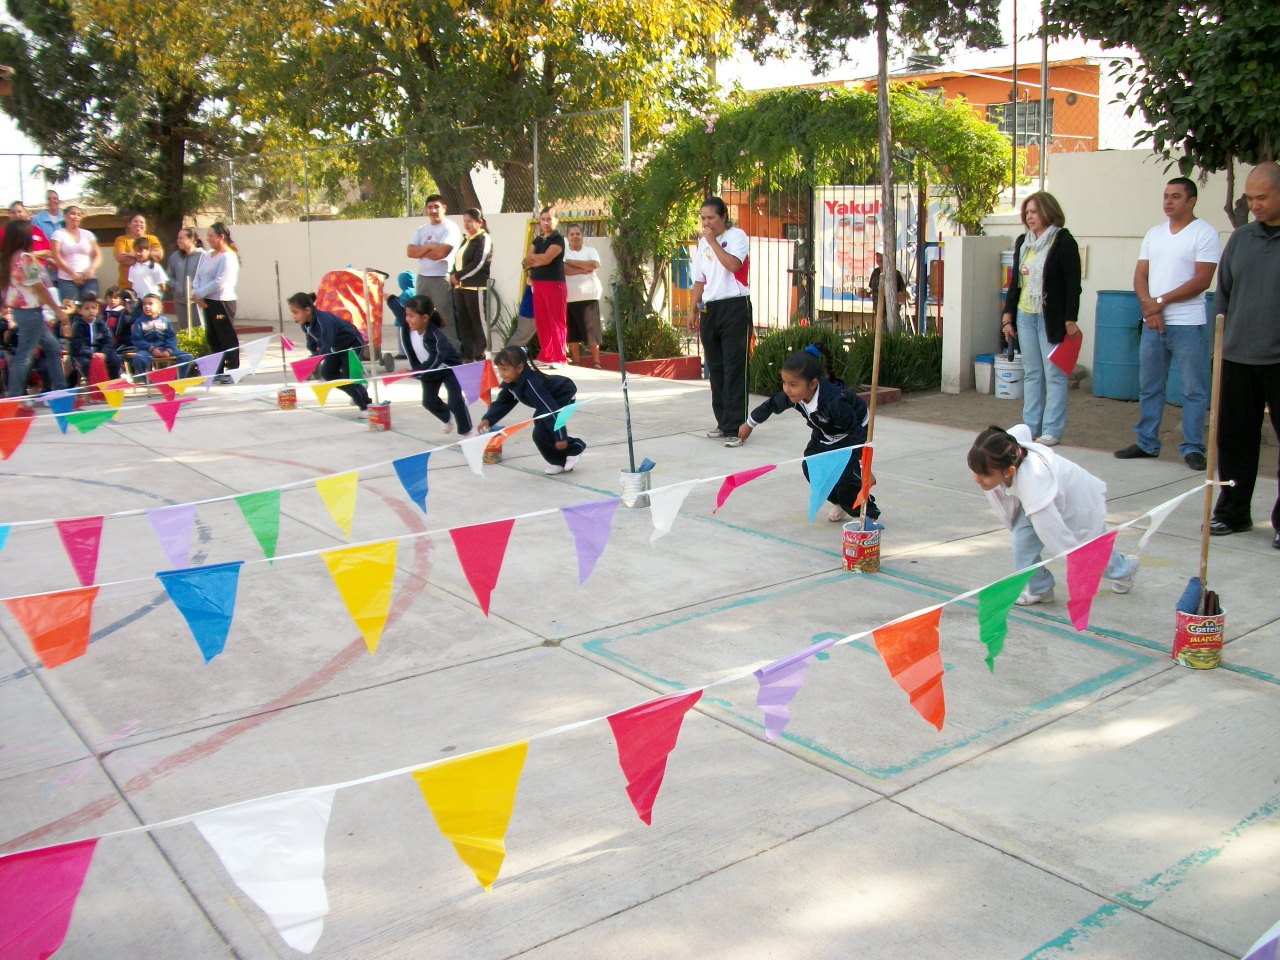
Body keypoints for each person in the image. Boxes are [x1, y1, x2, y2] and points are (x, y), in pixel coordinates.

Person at [1113, 179, 1220, 470]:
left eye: (1176, 196)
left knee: (1193, 389)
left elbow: (1201, 281)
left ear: (1192, 201)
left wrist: (1159, 302)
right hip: (1153, 322)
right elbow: (1140, 276)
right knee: (1149, 385)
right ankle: (1147, 441)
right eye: (1165, 196)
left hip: (1188, 323)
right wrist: (1151, 307)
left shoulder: (1205, 233)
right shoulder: (1154, 234)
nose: (1168, 202)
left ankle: (1193, 447)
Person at [969, 424, 1138, 605]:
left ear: (1009, 471)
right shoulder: (1004, 449)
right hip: (1035, 501)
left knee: (1090, 552)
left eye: (985, 475)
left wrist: (1078, 564)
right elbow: (1022, 429)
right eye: (975, 471)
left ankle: (1125, 568)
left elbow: (1056, 537)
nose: (977, 479)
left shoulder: (1033, 485)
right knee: (1023, 545)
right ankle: (1040, 589)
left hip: (1075, 501)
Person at [1209, 161, 1280, 550]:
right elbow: (1224, 292)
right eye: (1250, 198)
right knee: (1235, 441)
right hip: (1237, 356)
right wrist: (1217, 348)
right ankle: (1232, 513)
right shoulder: (1241, 239)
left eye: (1263, 197)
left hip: (1278, 360)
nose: (1255, 205)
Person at [737, 343, 879, 523]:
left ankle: (869, 513)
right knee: (811, 468)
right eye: (785, 383)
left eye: (793, 385)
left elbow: (857, 434)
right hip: (824, 433)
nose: (787, 389)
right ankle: (839, 503)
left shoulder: (835, 403)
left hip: (850, 434)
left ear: (812, 384)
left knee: (845, 481)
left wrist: (865, 468)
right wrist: (749, 424)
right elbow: (772, 404)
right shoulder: (795, 396)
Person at [1001, 191, 1081, 447]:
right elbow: (1016, 282)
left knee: (1054, 373)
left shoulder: (1063, 241)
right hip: (1026, 313)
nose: (1029, 216)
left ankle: (1052, 429)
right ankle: (1029, 427)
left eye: (1034, 211)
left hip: (1051, 316)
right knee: (1032, 372)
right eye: (1026, 212)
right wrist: (1008, 314)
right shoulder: (1023, 242)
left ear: (1047, 211)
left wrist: (1070, 319)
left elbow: (1072, 284)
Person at [690, 196, 752, 447]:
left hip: (735, 306)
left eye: (711, 218)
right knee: (715, 368)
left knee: (734, 367)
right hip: (711, 308)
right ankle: (723, 421)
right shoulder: (702, 245)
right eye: (703, 218)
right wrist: (693, 309)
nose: (707, 222)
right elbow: (699, 280)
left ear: (723, 217)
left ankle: (737, 428)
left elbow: (733, 265)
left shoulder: (737, 237)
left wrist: (713, 242)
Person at [478, 345, 585, 474]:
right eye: (499, 370)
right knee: (542, 433)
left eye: (505, 370)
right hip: (548, 403)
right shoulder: (511, 383)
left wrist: (560, 436)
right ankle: (560, 462)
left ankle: (576, 447)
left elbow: (550, 409)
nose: (501, 374)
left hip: (563, 396)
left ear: (520, 368)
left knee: (541, 433)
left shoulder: (531, 384)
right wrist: (488, 419)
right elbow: (503, 402)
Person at [1, 219, 64, 397]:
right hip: (31, 313)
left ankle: (61, 390)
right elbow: (40, 288)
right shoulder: (26, 258)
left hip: (21, 312)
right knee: (25, 356)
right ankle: (14, 398)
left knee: (53, 348)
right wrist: (58, 310)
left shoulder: (9, 259)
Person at [288, 291, 371, 419]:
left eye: (295, 312)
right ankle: (358, 391)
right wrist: (313, 356)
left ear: (307, 310)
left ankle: (366, 405)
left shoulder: (324, 322)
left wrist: (313, 361)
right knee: (328, 374)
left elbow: (325, 346)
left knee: (348, 378)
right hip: (336, 348)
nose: (293, 316)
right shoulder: (305, 325)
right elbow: (311, 343)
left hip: (352, 346)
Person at [397, 293, 472, 434]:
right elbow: (396, 307)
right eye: (407, 315)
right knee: (428, 402)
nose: (407, 319)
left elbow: (435, 360)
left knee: (455, 402)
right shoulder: (407, 329)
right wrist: (387, 297)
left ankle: (467, 432)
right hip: (429, 370)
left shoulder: (436, 337)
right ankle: (446, 416)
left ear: (425, 318)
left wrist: (415, 372)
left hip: (449, 369)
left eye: (411, 316)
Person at [407, 195, 462, 350]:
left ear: (444, 208)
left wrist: (421, 251)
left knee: (445, 317)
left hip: (441, 278)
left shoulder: (449, 227)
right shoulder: (422, 229)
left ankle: (452, 351)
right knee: (421, 315)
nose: (433, 210)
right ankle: (427, 348)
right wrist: (429, 247)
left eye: (436, 207)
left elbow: (441, 254)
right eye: (430, 207)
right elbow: (410, 251)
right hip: (423, 278)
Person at [193, 222, 240, 383]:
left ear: (221, 237)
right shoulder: (208, 254)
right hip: (207, 302)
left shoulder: (228, 256)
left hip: (222, 302)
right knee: (212, 337)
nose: (208, 239)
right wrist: (196, 292)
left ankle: (233, 371)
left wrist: (200, 293)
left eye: (211, 236)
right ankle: (217, 370)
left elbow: (220, 281)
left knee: (226, 337)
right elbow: (199, 275)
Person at [522, 206, 568, 366]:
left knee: (556, 320)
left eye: (549, 219)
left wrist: (536, 258)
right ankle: (546, 355)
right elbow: (527, 259)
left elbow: (548, 258)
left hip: (554, 284)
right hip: (538, 284)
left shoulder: (558, 239)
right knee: (542, 320)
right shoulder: (538, 240)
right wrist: (536, 258)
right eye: (543, 219)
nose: (546, 222)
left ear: (556, 220)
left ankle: (559, 357)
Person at [450, 208, 493, 362]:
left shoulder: (484, 238)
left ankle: (481, 351)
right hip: (460, 287)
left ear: (479, 222)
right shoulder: (467, 239)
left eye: (470, 221)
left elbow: (478, 263)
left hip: (475, 287)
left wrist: (459, 276)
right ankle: (467, 353)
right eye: (465, 221)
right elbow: (458, 261)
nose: (466, 224)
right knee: (464, 321)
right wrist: (454, 274)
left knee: (477, 320)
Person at [564, 224, 603, 368]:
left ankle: (596, 361)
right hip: (569, 297)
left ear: (582, 236)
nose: (575, 236)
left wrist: (573, 263)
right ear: (567, 238)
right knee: (572, 332)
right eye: (572, 234)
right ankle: (576, 361)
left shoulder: (590, 251)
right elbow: (564, 269)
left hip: (589, 296)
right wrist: (583, 269)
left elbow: (594, 265)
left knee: (591, 332)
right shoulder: (564, 253)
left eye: (578, 234)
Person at [130, 293, 193, 375]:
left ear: (159, 307)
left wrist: (169, 350)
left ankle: (177, 380)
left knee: (187, 357)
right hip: (147, 350)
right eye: (144, 304)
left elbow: (171, 337)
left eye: (150, 304)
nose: (147, 306)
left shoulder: (164, 321)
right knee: (138, 359)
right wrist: (151, 348)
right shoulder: (139, 322)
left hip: (165, 349)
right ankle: (148, 381)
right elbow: (137, 339)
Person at [50, 205, 101, 303]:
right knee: (71, 310)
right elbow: (56, 256)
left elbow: (98, 255)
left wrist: (91, 270)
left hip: (89, 279)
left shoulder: (88, 234)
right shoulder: (58, 234)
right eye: (73, 214)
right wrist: (73, 274)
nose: (76, 217)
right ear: (65, 216)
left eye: (79, 215)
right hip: (67, 279)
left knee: (92, 307)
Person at [69, 294, 121, 380]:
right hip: (85, 355)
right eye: (87, 308)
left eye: (93, 308)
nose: (91, 311)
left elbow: (108, 342)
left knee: (115, 360)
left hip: (101, 353)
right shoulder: (77, 326)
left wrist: (104, 353)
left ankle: (112, 383)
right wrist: (92, 354)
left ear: (97, 309)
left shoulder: (101, 324)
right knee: (87, 364)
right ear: (79, 310)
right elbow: (79, 346)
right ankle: (96, 385)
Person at [167, 227, 205, 330]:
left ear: (191, 239)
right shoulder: (175, 256)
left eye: (181, 238)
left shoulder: (203, 256)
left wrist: (197, 291)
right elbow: (169, 276)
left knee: (199, 331)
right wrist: (177, 286)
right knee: (184, 331)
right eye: (177, 238)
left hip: (196, 301)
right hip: (180, 301)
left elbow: (206, 277)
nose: (178, 241)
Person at [113, 213, 163, 290]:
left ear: (145, 226)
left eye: (141, 222)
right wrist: (147, 258)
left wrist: (133, 254)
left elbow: (159, 254)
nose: (138, 224)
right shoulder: (121, 240)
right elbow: (121, 258)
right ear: (129, 224)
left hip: (149, 288)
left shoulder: (152, 239)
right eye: (135, 221)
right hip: (127, 287)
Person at [861, 249, 907, 323]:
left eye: (882, 256)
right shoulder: (875, 272)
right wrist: (865, 293)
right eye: (878, 256)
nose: (879, 259)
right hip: (878, 314)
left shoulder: (896, 274)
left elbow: (906, 296)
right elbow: (872, 291)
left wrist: (894, 299)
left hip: (893, 315)